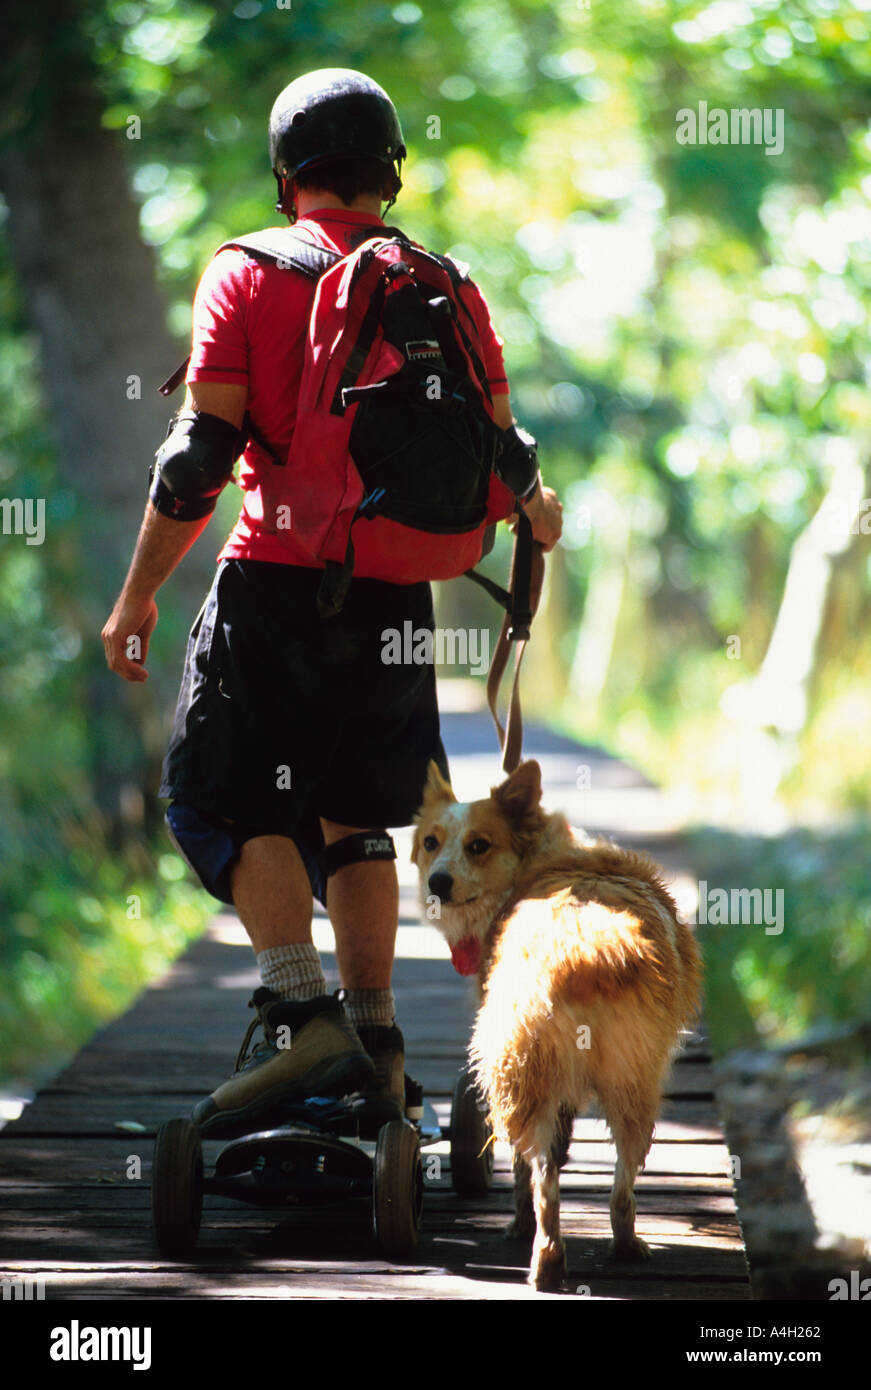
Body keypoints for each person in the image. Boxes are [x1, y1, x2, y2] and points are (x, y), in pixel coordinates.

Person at [102, 68, 563, 1140]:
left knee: (221, 801)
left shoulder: (246, 272)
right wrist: (537, 513)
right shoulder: (444, 282)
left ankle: (304, 1010)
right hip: (399, 601)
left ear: (284, 174)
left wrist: (137, 597)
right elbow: (503, 455)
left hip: (272, 584)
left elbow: (199, 452)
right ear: (389, 173)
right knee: (362, 812)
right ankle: (379, 1039)